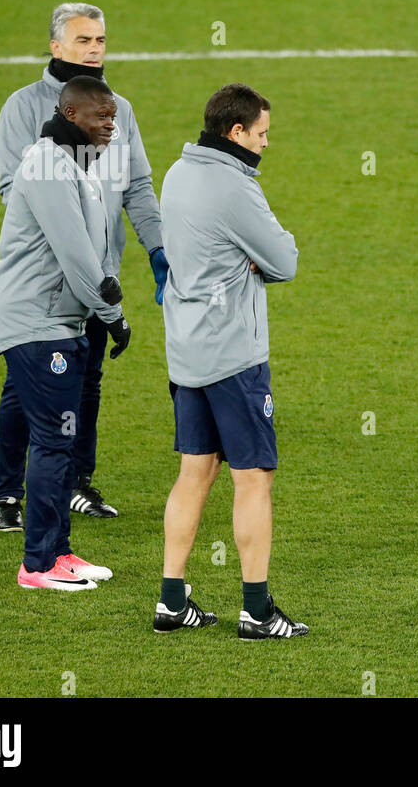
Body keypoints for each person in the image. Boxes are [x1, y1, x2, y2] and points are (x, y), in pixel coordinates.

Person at [0, 2, 165, 529]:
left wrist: (158, 249)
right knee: (24, 389)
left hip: (101, 274)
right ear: (56, 46)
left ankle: (75, 483)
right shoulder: (22, 108)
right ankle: (7, 493)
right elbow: (12, 189)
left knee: (88, 380)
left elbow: (136, 185)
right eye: (84, 40)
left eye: (101, 40)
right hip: (47, 284)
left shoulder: (119, 109)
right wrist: (71, 244)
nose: (94, 49)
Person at [152, 83, 306, 639]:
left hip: (186, 351)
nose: (266, 144)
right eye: (261, 133)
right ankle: (257, 611)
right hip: (233, 357)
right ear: (235, 132)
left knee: (194, 473)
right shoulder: (233, 187)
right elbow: (284, 259)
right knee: (254, 479)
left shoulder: (177, 173)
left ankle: (172, 600)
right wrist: (253, 257)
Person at [0, 75, 133, 590]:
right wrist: (111, 315)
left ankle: (59, 551)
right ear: (71, 115)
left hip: (61, 320)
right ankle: (37, 564)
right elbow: (76, 257)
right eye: (102, 117)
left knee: (61, 440)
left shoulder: (73, 162)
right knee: (53, 441)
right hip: (38, 323)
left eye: (114, 117)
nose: (111, 126)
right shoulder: (49, 166)